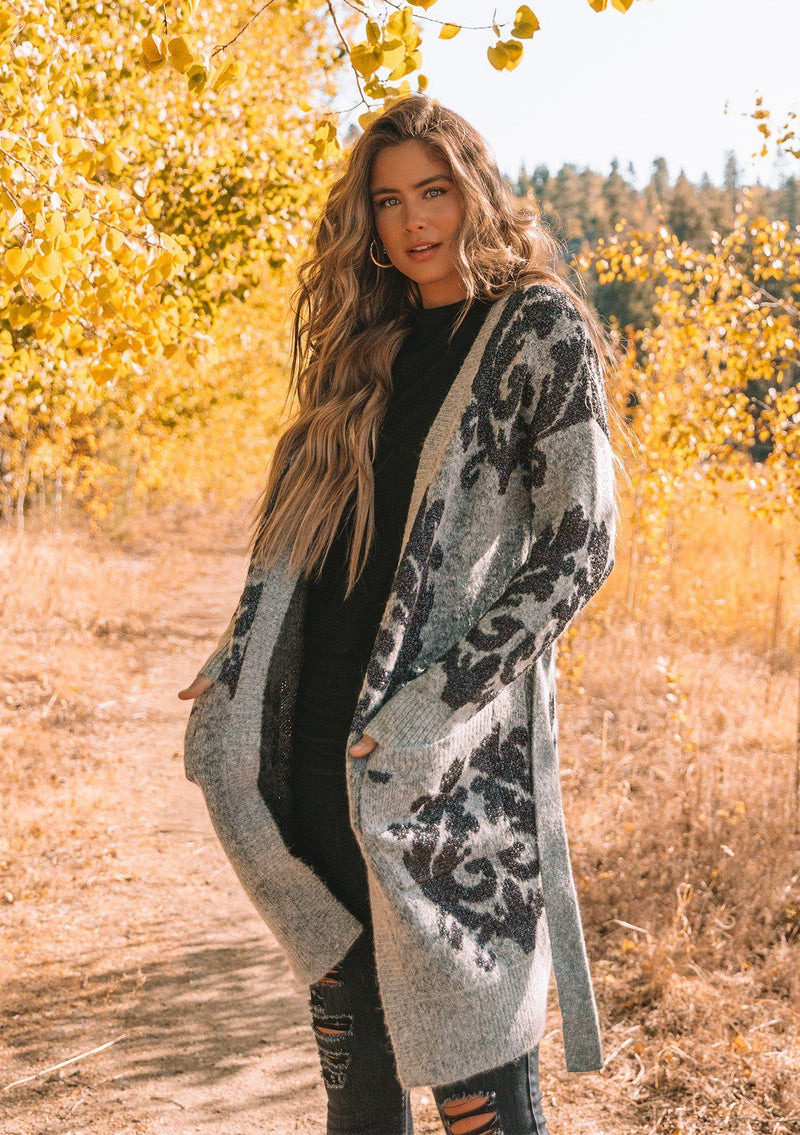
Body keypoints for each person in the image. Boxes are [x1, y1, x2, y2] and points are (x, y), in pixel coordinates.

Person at [178, 94, 619, 1135]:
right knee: (359, 1088)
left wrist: (433, 704)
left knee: (481, 1099)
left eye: (435, 190)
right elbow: (309, 537)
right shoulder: (361, 348)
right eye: (388, 201)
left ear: (476, 191)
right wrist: (239, 653)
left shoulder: (536, 328)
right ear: (367, 221)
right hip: (316, 745)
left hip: (444, 771)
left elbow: (580, 544)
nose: (415, 219)